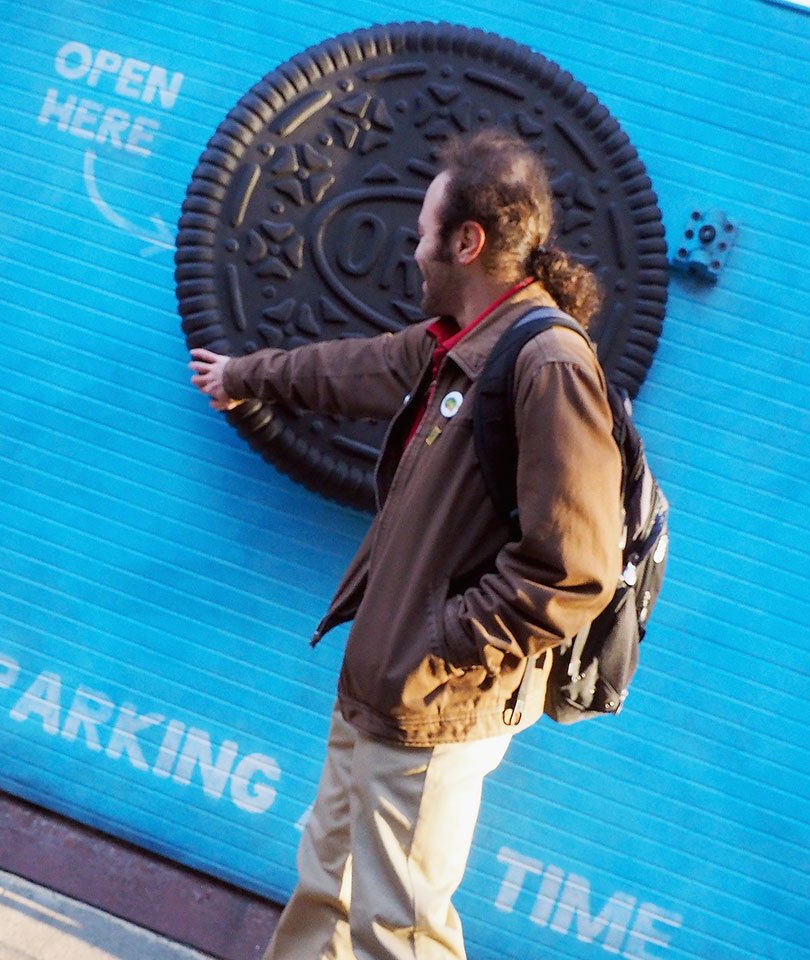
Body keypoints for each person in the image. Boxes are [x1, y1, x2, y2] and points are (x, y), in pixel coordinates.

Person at [188, 128, 622, 960]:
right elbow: (348, 369)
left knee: (399, 933)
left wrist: (440, 649)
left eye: (424, 229)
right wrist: (242, 377)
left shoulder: (546, 362)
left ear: (468, 241)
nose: (412, 247)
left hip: (430, 706)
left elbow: (573, 570)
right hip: (379, 688)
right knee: (328, 896)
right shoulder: (461, 343)